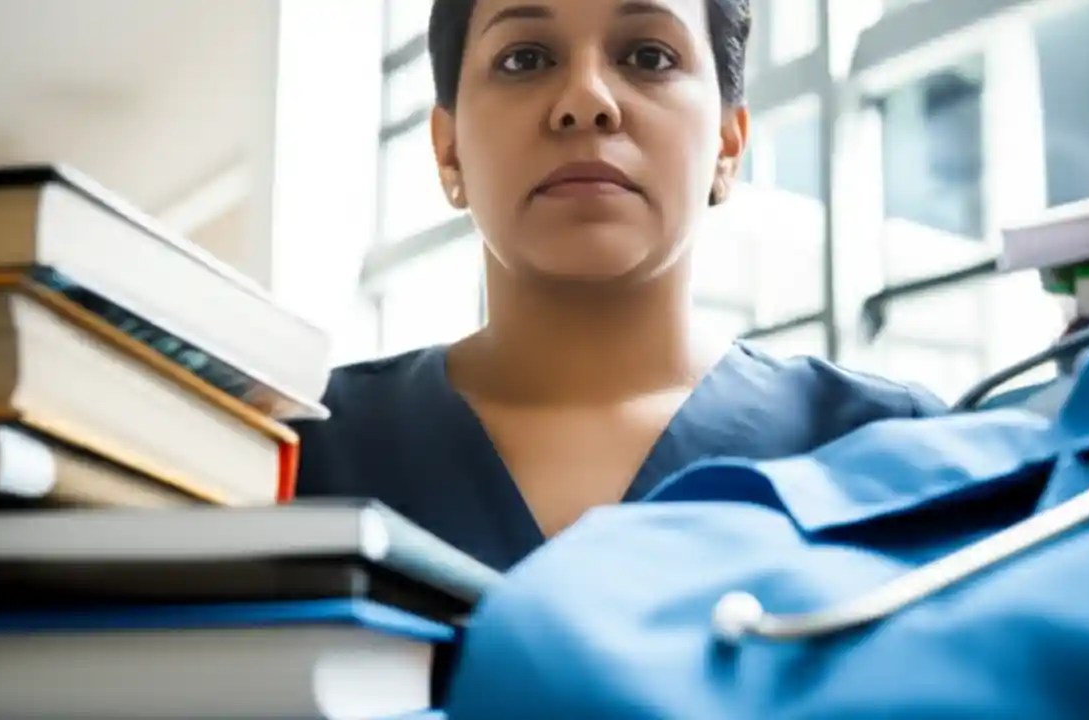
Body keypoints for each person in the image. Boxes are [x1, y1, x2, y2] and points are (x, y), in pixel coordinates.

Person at [291, 0, 945, 572]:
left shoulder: (892, 450)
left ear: (727, 141)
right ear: (448, 149)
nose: (586, 102)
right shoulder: (297, 450)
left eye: (649, 56)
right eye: (525, 59)